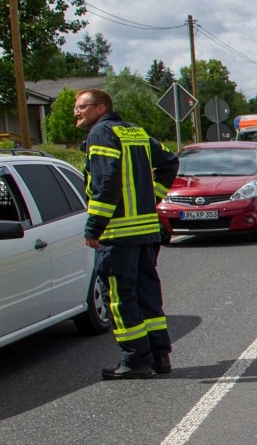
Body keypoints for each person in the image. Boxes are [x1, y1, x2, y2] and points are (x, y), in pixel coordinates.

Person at [77, 89, 180, 380]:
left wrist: (94, 226)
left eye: (81, 107)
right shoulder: (134, 132)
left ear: (100, 108)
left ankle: (135, 361)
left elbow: (105, 181)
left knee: (121, 300)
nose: (76, 112)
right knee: (148, 296)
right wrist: (153, 198)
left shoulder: (101, 135)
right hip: (145, 231)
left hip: (118, 234)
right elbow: (170, 162)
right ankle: (160, 357)